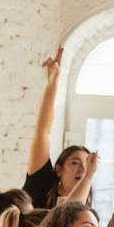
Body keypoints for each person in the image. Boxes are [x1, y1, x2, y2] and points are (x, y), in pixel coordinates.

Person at [23, 46, 96, 208]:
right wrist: (52, 83)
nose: (83, 168)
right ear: (59, 170)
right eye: (76, 162)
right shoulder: (41, 183)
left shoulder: (83, 210)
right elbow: (42, 131)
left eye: (87, 163)